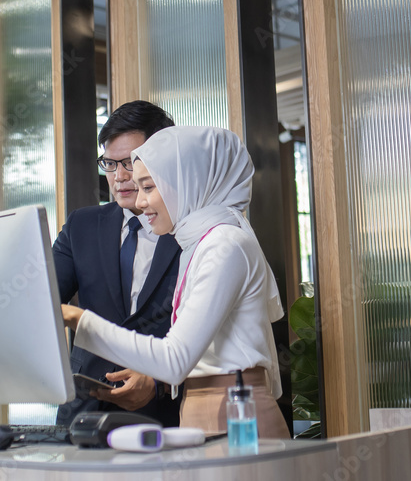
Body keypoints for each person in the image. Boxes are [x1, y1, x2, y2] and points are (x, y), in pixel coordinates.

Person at [62, 126, 290, 438]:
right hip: (204, 408)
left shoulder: (225, 244)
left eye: (149, 187)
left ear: (186, 183)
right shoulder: (198, 243)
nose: (140, 203)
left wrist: (79, 319)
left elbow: (174, 359)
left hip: (233, 413)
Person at [53, 100, 181, 427]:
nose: (120, 177)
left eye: (130, 162)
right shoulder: (82, 225)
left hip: (165, 417)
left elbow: (210, 334)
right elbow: (44, 300)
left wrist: (160, 381)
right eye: (110, 164)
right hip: (84, 417)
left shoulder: (191, 234)